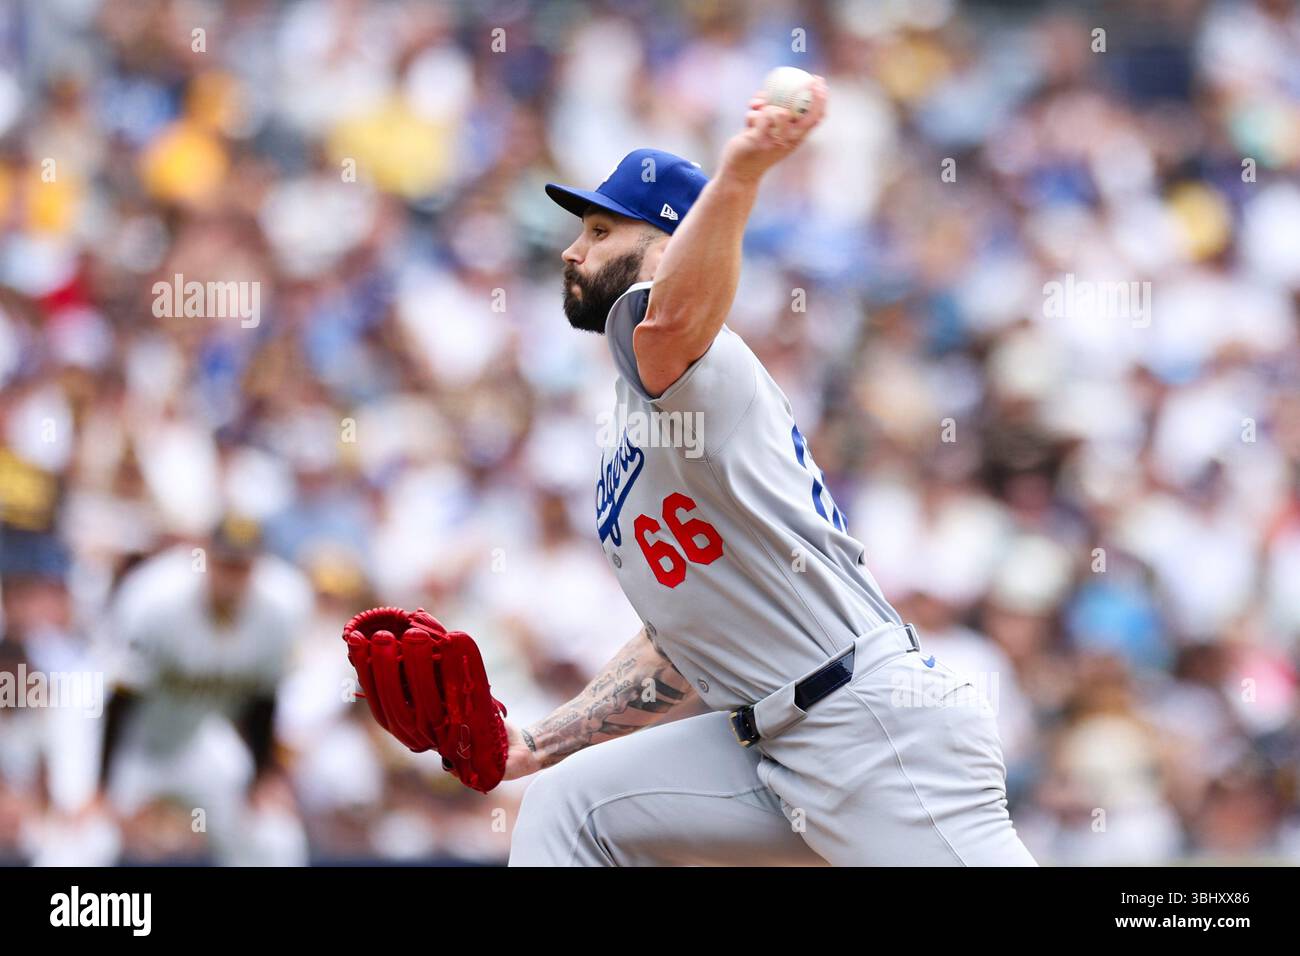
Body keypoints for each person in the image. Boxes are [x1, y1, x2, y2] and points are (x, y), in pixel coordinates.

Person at [503, 78, 1038, 865]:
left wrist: (740, 176)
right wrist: (536, 743)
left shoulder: (681, 352)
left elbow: (674, 316)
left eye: (598, 229)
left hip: (870, 729)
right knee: (568, 803)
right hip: (767, 747)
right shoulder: (636, 414)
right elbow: (681, 644)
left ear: (666, 245)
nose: (573, 250)